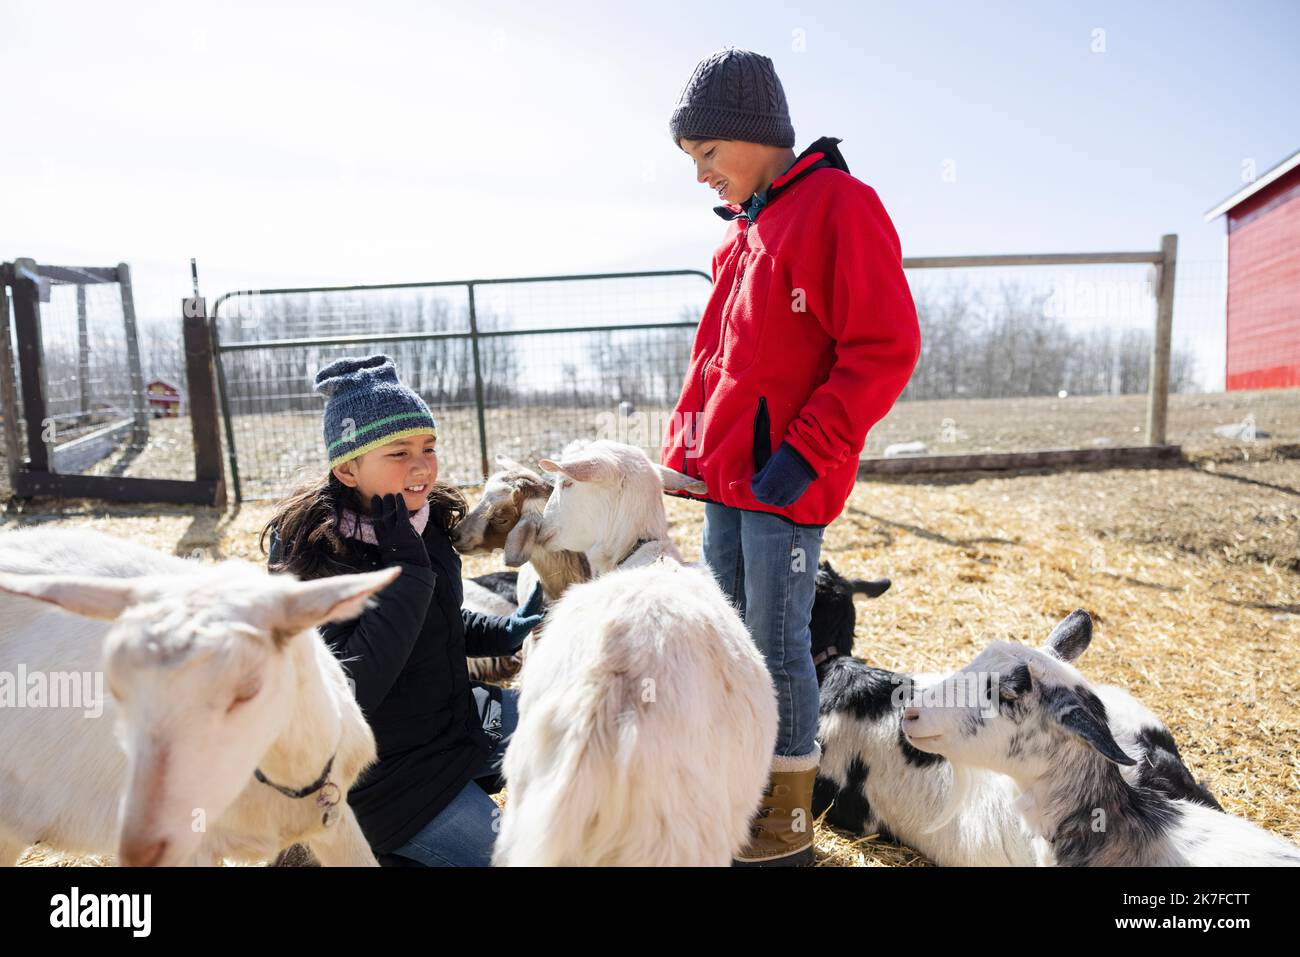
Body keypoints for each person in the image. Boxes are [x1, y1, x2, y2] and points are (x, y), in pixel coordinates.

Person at [660, 48, 922, 865]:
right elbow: (714, 361)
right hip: (730, 482)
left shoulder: (839, 206)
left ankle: (783, 827)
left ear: (754, 135)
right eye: (691, 159)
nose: (700, 174)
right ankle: (739, 789)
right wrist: (688, 452)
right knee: (730, 641)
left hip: (784, 482)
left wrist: (807, 451)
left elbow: (884, 345)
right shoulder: (746, 231)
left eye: (707, 153)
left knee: (777, 649)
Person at [262, 353, 544, 866]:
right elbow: (349, 689)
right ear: (348, 467)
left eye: (428, 447)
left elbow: (434, 623)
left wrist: (503, 631)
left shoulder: (421, 522)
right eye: (398, 452)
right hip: (392, 785)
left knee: (585, 723)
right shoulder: (316, 559)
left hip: (455, 724)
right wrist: (408, 572)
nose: (422, 465)